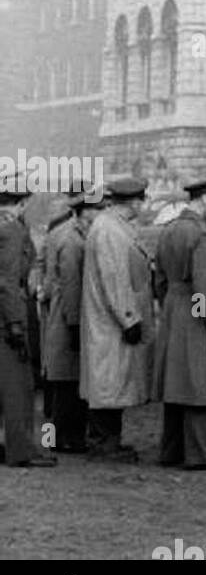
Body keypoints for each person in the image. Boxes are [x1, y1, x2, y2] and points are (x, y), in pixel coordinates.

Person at [153, 176, 206, 471]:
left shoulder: (170, 229)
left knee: (176, 384)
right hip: (194, 311)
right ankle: (198, 455)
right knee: (201, 385)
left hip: (174, 310)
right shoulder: (200, 235)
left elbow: (159, 280)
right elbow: (205, 288)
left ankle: (170, 451)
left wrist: (171, 306)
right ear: (205, 199)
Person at [80, 176, 154, 463]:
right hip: (112, 323)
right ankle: (103, 445)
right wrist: (129, 319)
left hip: (110, 322)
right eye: (141, 199)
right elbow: (114, 280)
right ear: (134, 201)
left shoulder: (113, 226)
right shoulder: (109, 230)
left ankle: (108, 441)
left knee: (113, 385)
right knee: (108, 385)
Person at [0, 176, 56, 467]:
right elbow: (7, 282)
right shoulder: (12, 230)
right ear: (22, 203)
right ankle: (21, 451)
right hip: (8, 315)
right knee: (18, 387)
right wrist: (15, 324)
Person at [41, 184, 92, 453]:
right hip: (66, 317)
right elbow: (72, 284)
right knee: (67, 385)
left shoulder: (60, 232)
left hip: (56, 313)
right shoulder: (73, 240)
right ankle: (63, 440)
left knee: (58, 383)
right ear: (86, 211)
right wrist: (74, 324)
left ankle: (55, 440)